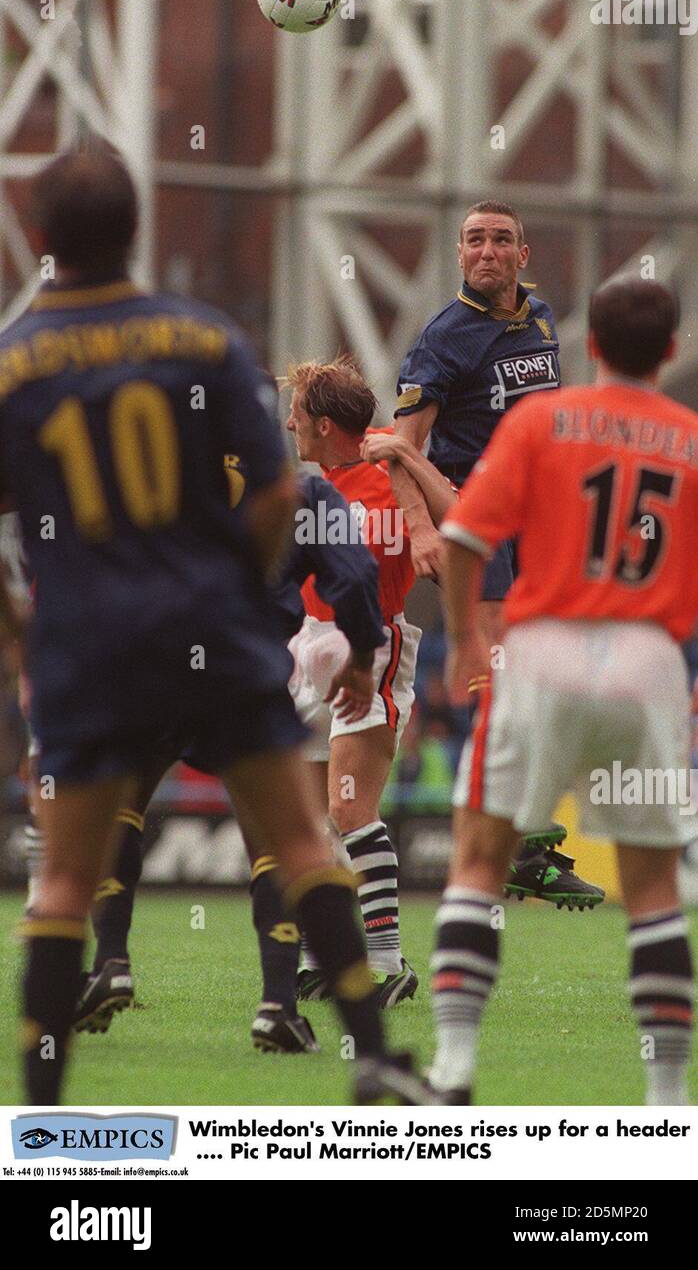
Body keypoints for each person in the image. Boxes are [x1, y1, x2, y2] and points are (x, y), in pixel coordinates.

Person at [2, 148, 424, 1105]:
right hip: (212, 635)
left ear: (37, 239)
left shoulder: (14, 360)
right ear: (138, 229)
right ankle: (377, 1060)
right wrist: (234, 592)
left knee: (67, 876)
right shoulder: (201, 341)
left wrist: (22, 631)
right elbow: (283, 491)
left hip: (89, 646)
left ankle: (39, 1109)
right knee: (302, 842)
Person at [431, 278, 697, 1104]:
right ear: (671, 353)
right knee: (652, 887)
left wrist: (469, 637)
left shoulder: (539, 421)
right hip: (649, 662)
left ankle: (453, 1071)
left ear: (588, 346)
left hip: (542, 653)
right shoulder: (690, 439)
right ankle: (664, 1101)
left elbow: (466, 535)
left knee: (479, 858)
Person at [72, 468, 387, 1058]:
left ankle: (111, 960)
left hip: (151, 664)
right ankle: (279, 1008)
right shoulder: (300, 491)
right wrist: (363, 657)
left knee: (122, 808)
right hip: (247, 672)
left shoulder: (145, 474)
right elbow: (357, 572)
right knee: (280, 839)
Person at [387, 199, 604, 909]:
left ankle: (515, 842)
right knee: (498, 677)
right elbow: (398, 448)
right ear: (458, 255)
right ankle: (515, 846)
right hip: (477, 524)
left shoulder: (537, 318)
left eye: (500, 240)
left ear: (523, 254)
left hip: (536, 525)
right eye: (474, 240)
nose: (486, 250)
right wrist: (421, 528)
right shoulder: (444, 339)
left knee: (531, 679)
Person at [285, 358, 420, 1005]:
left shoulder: (389, 481)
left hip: (372, 645)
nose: (289, 423)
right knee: (311, 820)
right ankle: (321, 960)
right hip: (310, 644)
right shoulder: (323, 486)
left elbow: (433, 544)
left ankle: (390, 966)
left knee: (347, 808)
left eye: (299, 415)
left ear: (325, 425)